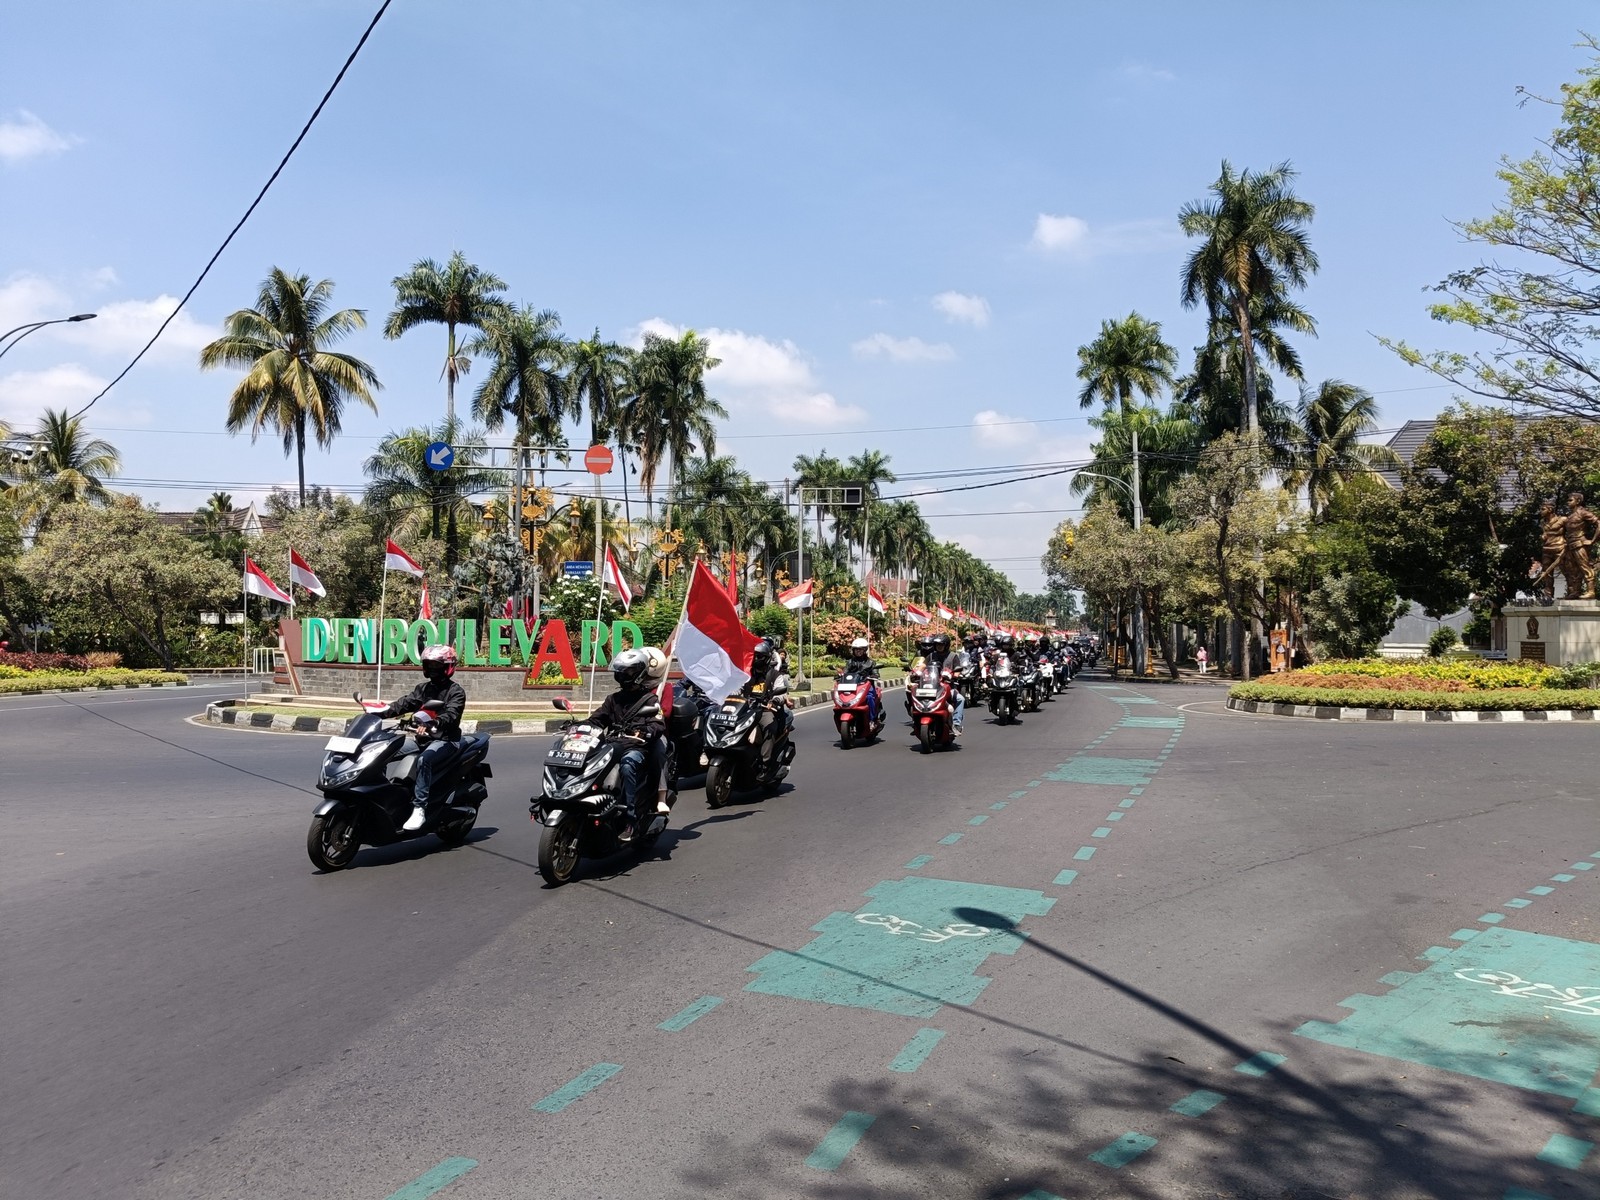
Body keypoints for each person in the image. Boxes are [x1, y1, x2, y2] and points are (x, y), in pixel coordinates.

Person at [378, 644, 468, 832]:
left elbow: (452, 714)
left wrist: (434, 723)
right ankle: (381, 794)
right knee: (383, 748)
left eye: (437, 666)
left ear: (448, 667)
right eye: (429, 665)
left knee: (424, 759)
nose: (433, 670)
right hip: (421, 740)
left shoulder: (456, 692)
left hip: (446, 741)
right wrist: (381, 711)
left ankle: (419, 808)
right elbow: (405, 703)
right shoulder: (423, 689)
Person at [585, 647, 667, 842]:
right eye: (620, 671)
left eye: (627, 672)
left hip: (635, 747)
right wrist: (579, 725)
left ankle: (631, 820)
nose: (622, 675)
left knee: (628, 765)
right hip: (613, 745)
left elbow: (657, 723)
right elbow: (597, 720)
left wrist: (647, 732)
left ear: (638, 674)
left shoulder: (650, 699)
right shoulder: (613, 699)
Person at [925, 631, 967, 736]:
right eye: (937, 644)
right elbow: (922, 667)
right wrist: (916, 672)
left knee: (960, 699)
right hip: (932, 687)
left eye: (941, 644)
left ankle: (956, 723)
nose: (939, 647)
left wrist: (954, 675)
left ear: (946, 645)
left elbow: (958, 670)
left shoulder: (953, 656)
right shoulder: (930, 656)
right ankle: (916, 721)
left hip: (948, 686)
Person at [840, 636, 880, 726]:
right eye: (856, 649)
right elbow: (845, 671)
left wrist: (873, 675)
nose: (858, 651)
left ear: (864, 650)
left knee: (869, 698)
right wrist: (840, 675)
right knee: (842, 697)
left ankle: (872, 720)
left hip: (867, 686)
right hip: (852, 686)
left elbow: (875, 672)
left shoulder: (870, 662)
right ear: (853, 650)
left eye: (860, 649)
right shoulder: (850, 662)